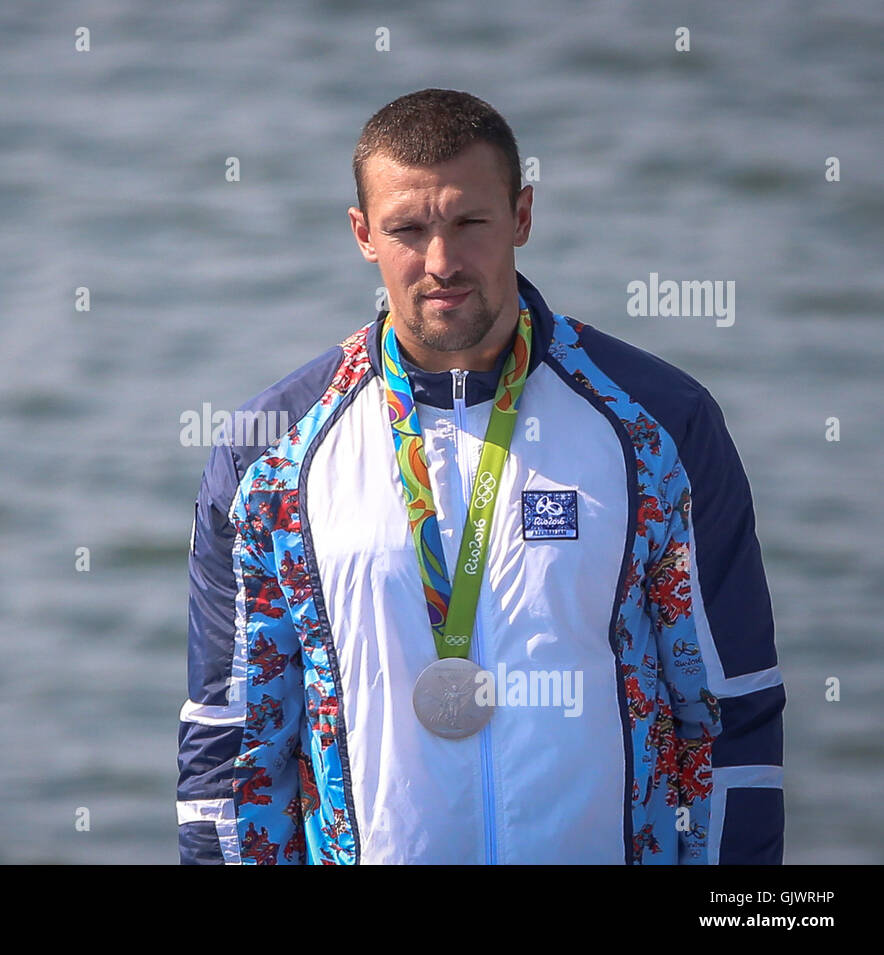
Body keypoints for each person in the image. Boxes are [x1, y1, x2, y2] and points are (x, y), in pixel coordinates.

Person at [175, 89, 784, 864]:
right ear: (363, 234)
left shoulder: (661, 428)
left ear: (522, 216)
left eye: (470, 223)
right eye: (407, 229)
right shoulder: (269, 460)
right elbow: (234, 757)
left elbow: (733, 716)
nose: (441, 262)